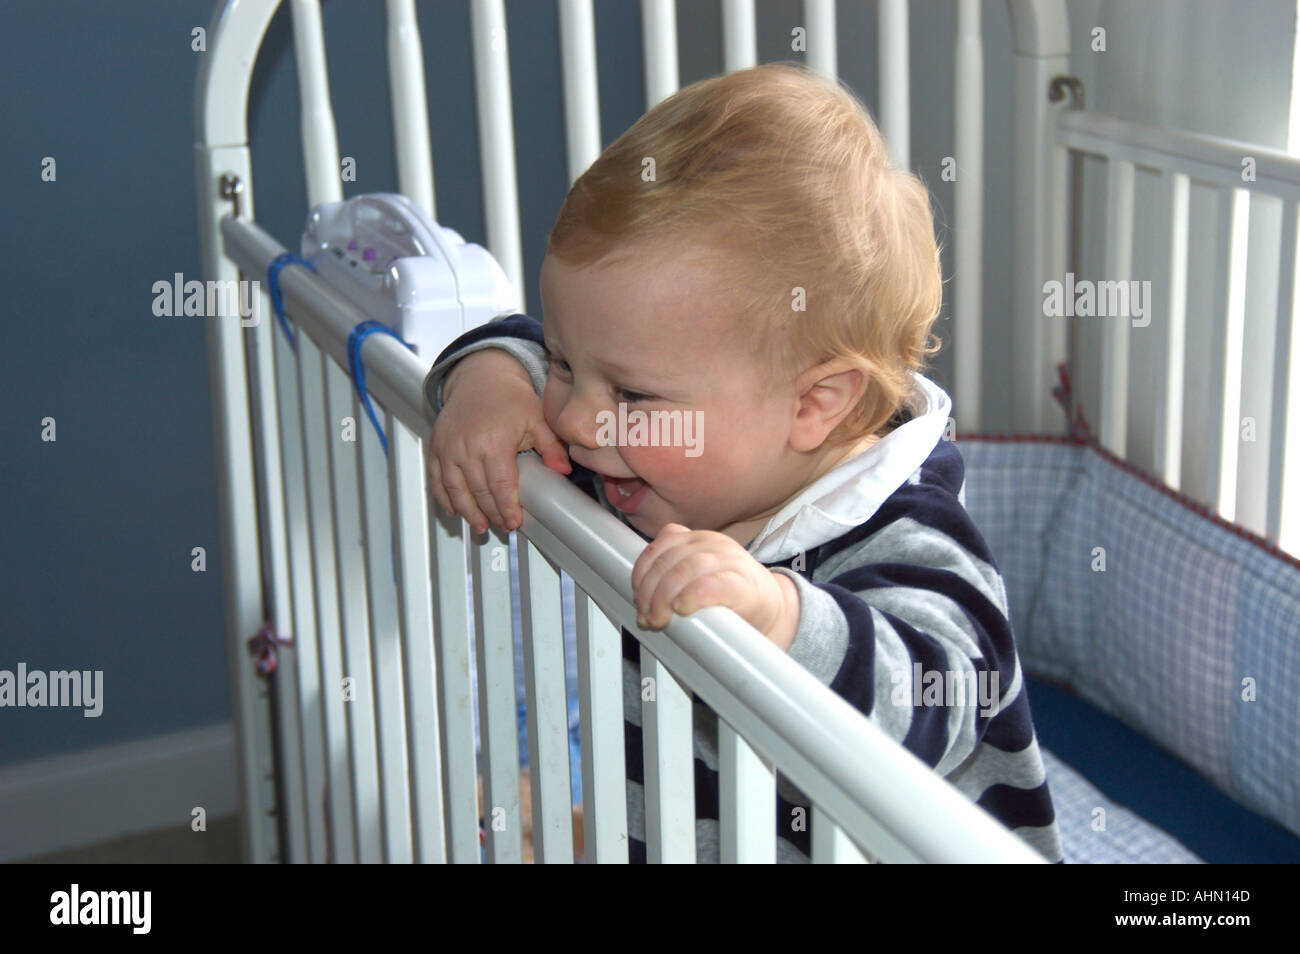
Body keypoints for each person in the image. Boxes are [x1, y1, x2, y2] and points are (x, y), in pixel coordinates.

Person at [425, 62, 1063, 863]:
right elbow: (517, 337)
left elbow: (937, 696)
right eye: (561, 363)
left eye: (631, 392)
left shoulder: (909, 534)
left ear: (813, 406)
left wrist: (779, 616)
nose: (577, 419)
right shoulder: (636, 456)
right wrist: (486, 379)